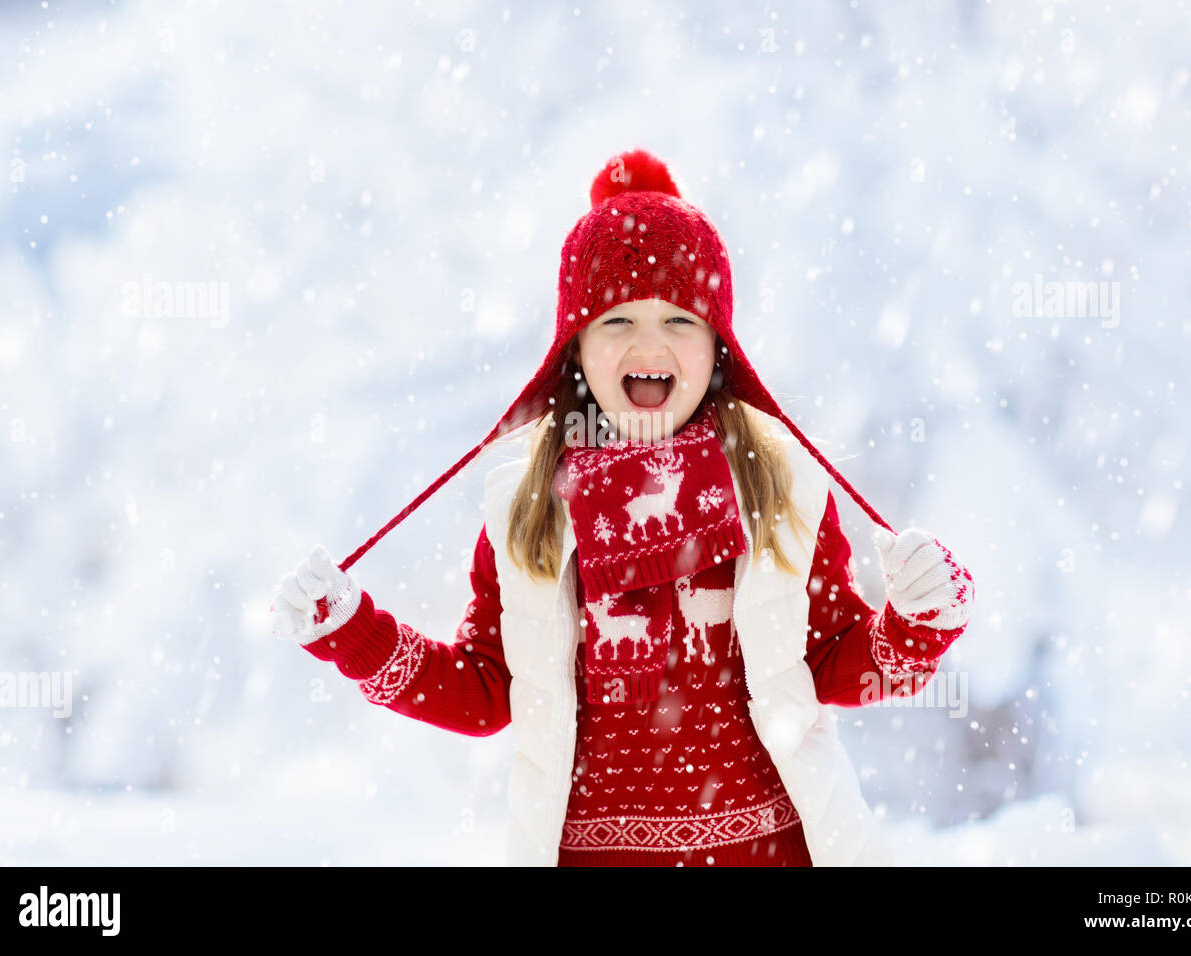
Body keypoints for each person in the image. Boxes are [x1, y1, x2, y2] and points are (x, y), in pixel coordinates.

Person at [270, 148, 975, 867]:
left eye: (679, 319)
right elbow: (484, 690)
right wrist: (356, 634)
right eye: (616, 321)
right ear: (574, 348)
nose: (649, 342)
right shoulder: (532, 506)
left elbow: (837, 662)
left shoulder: (777, 487)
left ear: (718, 345)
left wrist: (917, 622)